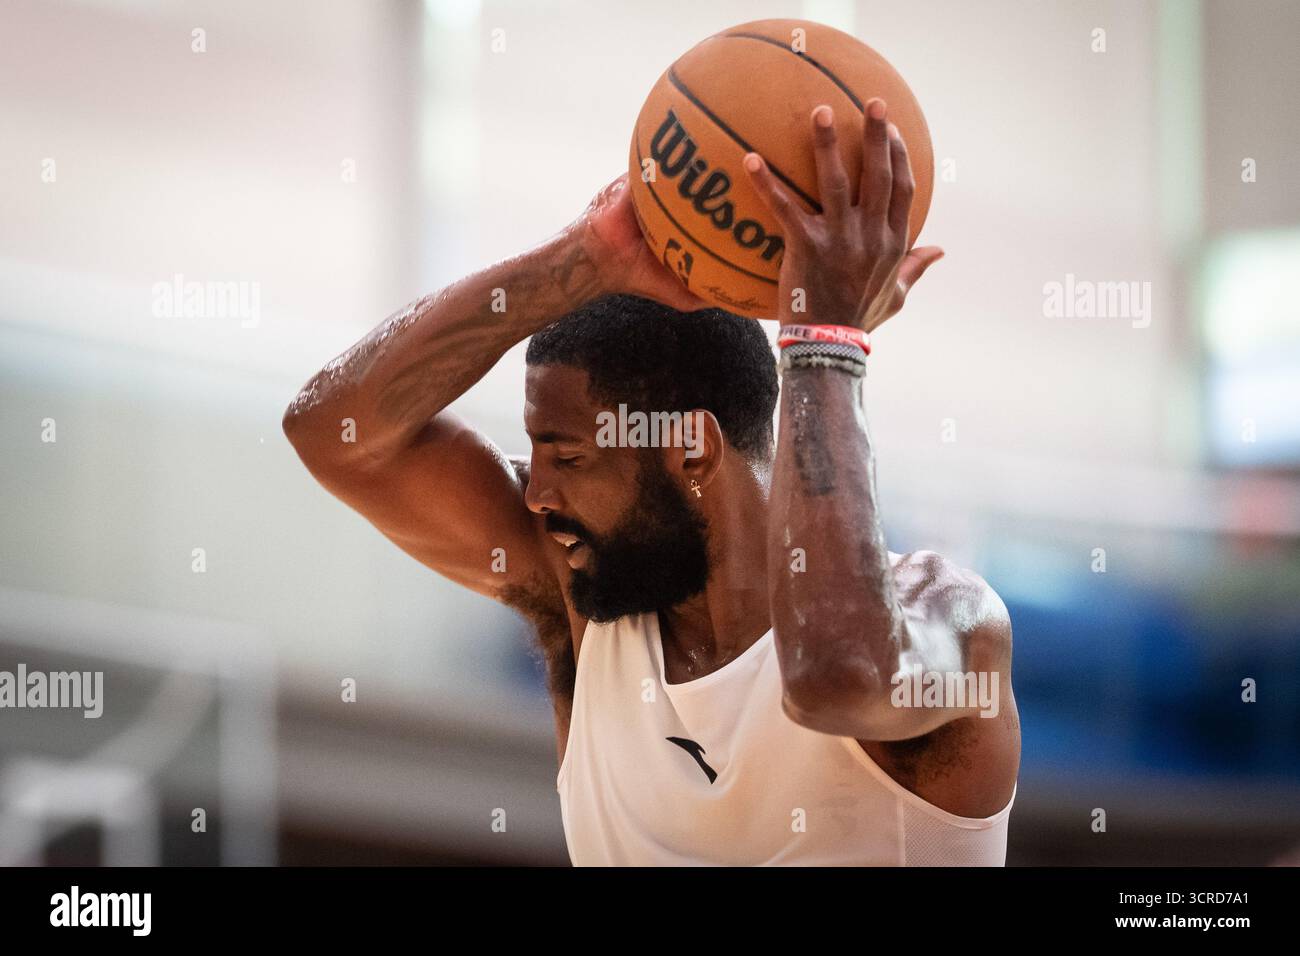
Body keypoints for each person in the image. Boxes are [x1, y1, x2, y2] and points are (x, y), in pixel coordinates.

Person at [283, 99, 1020, 865]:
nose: (536, 495)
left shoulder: (950, 623)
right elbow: (333, 434)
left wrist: (825, 339)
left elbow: (839, 675)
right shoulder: (582, 594)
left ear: (690, 452)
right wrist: (579, 259)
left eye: (566, 459)